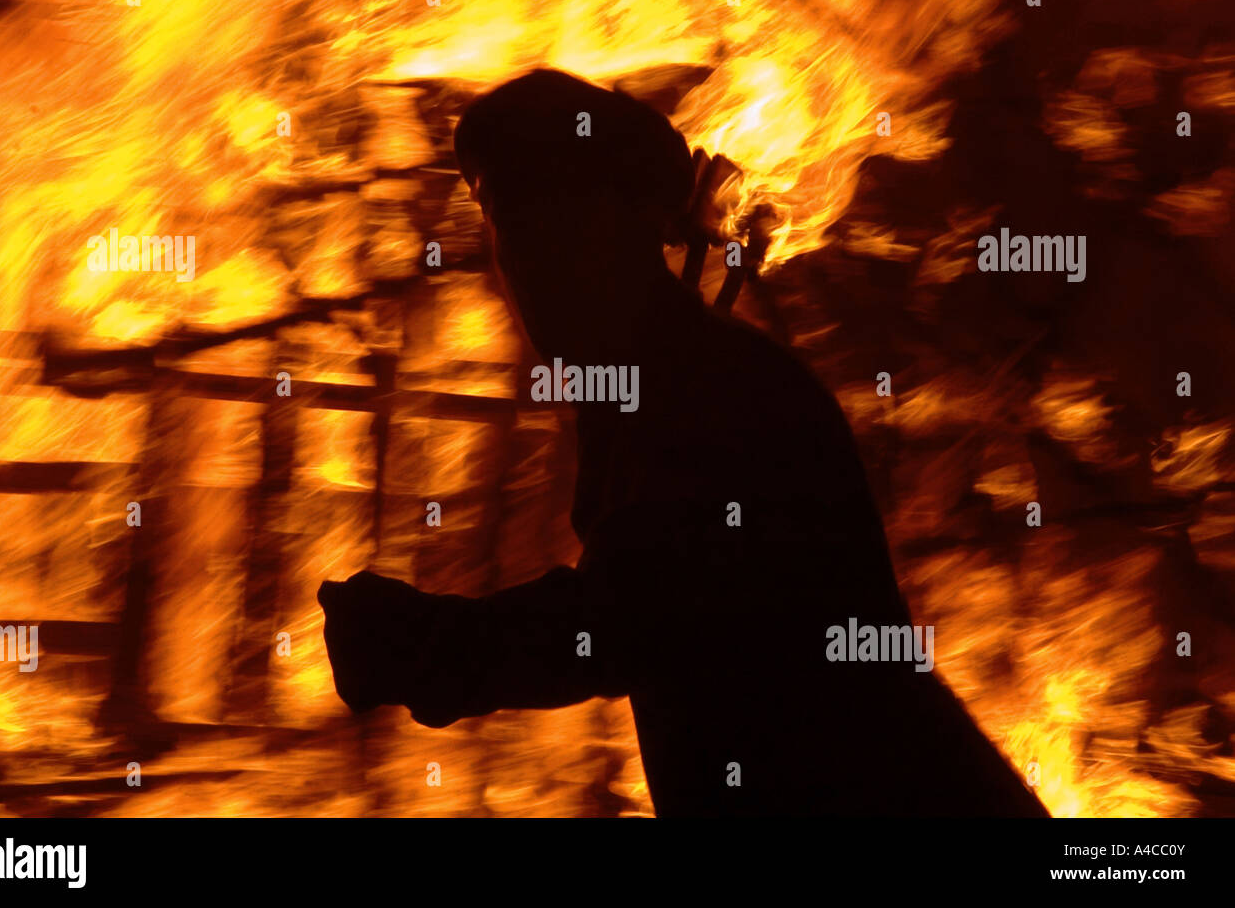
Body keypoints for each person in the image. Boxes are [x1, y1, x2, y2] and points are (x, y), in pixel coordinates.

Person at [318, 69, 1048, 816]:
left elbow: (626, 619)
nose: (528, 257)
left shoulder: (718, 389)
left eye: (554, 215)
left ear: (625, 224)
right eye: (508, 221)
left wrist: (428, 646)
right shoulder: (652, 389)